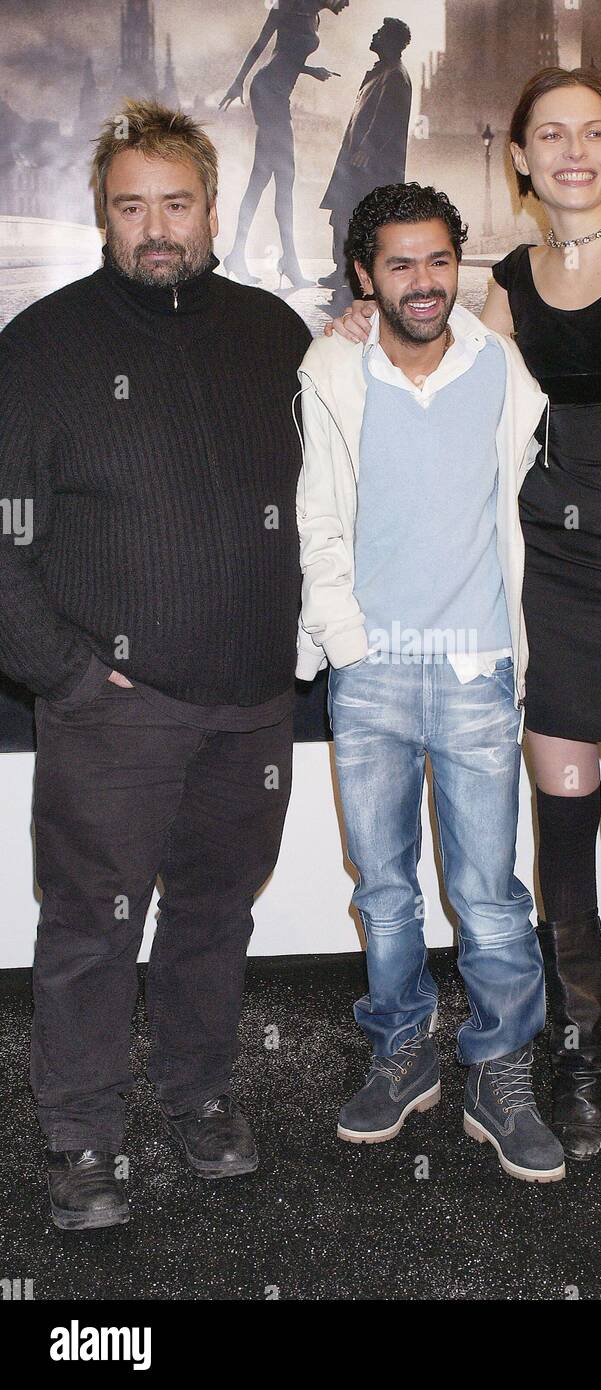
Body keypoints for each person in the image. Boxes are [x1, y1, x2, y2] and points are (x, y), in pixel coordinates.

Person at [326, 68, 601, 1163]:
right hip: (549, 577)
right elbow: (442, 355)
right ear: (518, 155)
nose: (572, 151)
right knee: (558, 825)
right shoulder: (504, 280)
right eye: (549, 134)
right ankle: (578, 1050)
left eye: (592, 133)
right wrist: (363, 312)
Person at [0, 100, 312, 1229]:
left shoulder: (277, 333)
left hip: (254, 704)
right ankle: (82, 1141)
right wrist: (70, 678)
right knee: (90, 929)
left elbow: (334, 497)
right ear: (102, 214)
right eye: (130, 206)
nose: (155, 226)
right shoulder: (40, 348)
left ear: (212, 207)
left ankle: (199, 1097)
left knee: (213, 915)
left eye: (175, 202)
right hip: (114, 711)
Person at [295, 182, 565, 1183]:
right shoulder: (331, 366)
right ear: (364, 274)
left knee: (488, 896)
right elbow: (317, 518)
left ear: (463, 265)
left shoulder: (500, 367)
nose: (421, 283)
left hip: (475, 668)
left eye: (438, 261)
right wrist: (347, 643)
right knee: (387, 893)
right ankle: (402, 1050)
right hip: (369, 673)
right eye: (398, 264)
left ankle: (499, 1070)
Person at [220, 0, 350, 290]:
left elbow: (287, 55)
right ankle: (284, 262)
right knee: (281, 180)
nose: (348, 3)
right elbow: (261, 46)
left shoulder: (315, 17)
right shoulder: (287, 7)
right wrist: (237, 82)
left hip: (278, 94)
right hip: (267, 91)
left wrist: (310, 70)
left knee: (263, 180)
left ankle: (240, 256)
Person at [317, 17, 413, 295]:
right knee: (343, 216)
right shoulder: (382, 73)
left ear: (392, 40)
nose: (375, 34)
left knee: (356, 217)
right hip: (357, 163)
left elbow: (387, 120)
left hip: (369, 168)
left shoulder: (395, 75)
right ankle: (342, 270)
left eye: (381, 32)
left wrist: (366, 150)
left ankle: (350, 273)